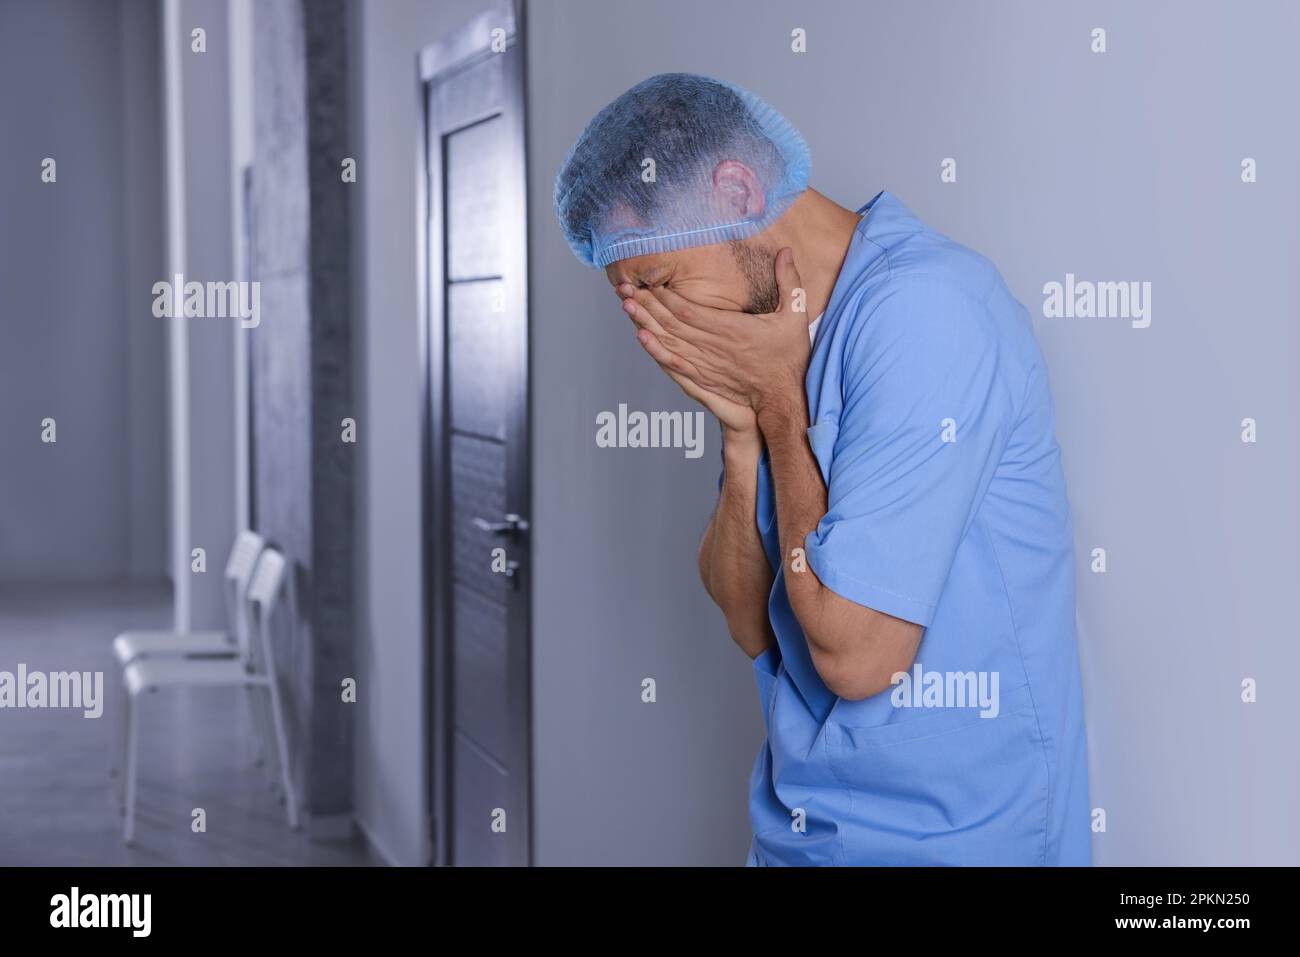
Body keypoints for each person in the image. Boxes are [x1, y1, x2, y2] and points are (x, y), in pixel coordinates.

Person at [554, 73, 1090, 866]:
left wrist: (776, 403)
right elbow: (746, 622)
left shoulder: (926, 313)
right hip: (801, 835)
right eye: (630, 301)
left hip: (958, 843)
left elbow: (859, 658)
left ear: (737, 192)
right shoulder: (774, 333)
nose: (656, 328)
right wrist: (744, 435)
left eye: (660, 286)